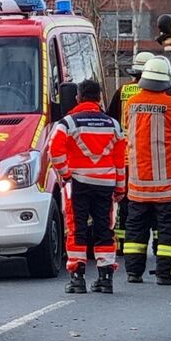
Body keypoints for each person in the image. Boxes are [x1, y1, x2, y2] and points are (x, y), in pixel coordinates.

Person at [49, 80, 127, 294]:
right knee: (104, 230)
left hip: (78, 184)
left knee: (77, 229)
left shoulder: (67, 123)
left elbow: (54, 151)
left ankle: (77, 278)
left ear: (78, 97)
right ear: (99, 98)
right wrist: (120, 188)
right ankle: (105, 278)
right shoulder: (114, 125)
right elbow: (120, 161)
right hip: (105, 185)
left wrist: (66, 174)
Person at [123, 58, 171, 285]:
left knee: (135, 229)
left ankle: (133, 273)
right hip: (167, 186)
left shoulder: (131, 103)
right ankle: (167, 273)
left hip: (137, 183)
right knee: (168, 229)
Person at [106, 51, 154, 253]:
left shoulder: (122, 91)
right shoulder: (160, 95)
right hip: (150, 157)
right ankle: (158, 244)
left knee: (125, 202)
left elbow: (111, 121)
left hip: (125, 157)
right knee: (152, 203)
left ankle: (123, 243)